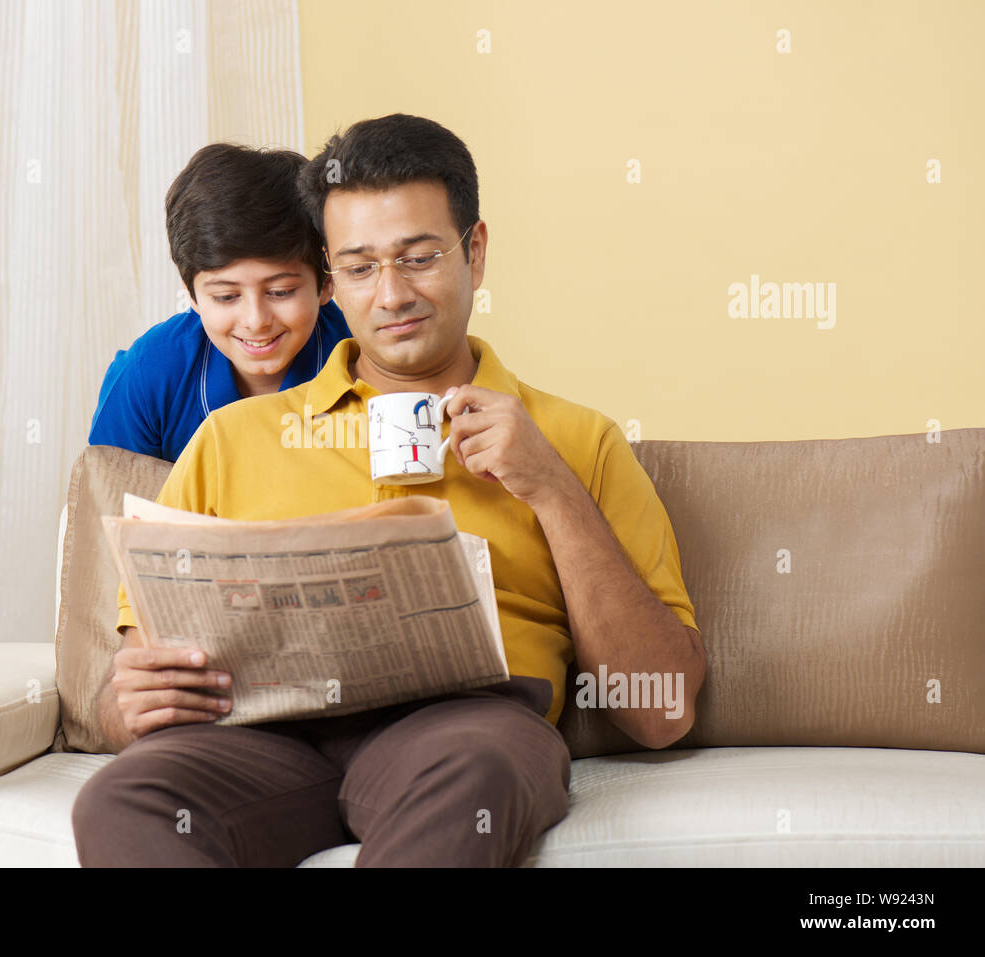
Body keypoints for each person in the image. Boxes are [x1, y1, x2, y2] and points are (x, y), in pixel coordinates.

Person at [73, 114, 706, 867]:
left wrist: (550, 489)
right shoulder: (230, 438)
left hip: (460, 733)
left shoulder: (576, 439)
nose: (392, 294)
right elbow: (126, 694)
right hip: (265, 740)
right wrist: (128, 701)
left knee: (478, 770)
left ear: (474, 252)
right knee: (123, 797)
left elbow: (661, 711)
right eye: (361, 267)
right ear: (331, 278)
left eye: (419, 258)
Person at [89, 142, 352, 461]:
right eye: (226, 296)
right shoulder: (146, 376)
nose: (256, 320)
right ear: (192, 294)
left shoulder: (363, 362)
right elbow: (109, 488)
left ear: (326, 281)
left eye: (280, 291)